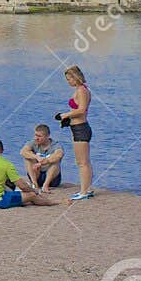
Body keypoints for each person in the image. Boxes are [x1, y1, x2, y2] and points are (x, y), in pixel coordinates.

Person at [0, 138, 59, 208]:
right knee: (31, 195)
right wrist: (33, 191)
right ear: (2, 151)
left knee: (12, 191)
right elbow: (22, 186)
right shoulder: (6, 164)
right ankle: (51, 203)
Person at [56, 65, 95, 200]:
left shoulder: (82, 90)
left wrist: (65, 115)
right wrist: (68, 118)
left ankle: (83, 192)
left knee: (82, 162)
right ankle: (88, 188)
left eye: (69, 79)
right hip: (77, 128)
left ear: (75, 77)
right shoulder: (81, 89)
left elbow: (82, 110)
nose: (68, 82)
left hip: (81, 129)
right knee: (85, 161)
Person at [20, 123, 64, 191]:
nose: (36, 138)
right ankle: (35, 184)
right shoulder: (33, 142)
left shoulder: (56, 145)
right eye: (35, 135)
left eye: (39, 136)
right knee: (28, 158)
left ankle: (45, 185)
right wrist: (36, 157)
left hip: (52, 178)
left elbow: (59, 154)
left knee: (56, 162)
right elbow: (23, 152)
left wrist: (44, 162)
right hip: (37, 174)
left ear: (47, 136)